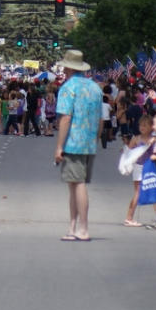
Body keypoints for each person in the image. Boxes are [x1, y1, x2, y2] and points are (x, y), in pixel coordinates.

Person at [53, 50, 102, 242]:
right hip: (89, 142)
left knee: (78, 184)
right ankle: (72, 226)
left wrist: (59, 146)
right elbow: (101, 119)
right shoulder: (95, 88)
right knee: (74, 184)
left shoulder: (68, 88)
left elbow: (65, 118)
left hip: (73, 143)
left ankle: (83, 227)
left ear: (69, 68)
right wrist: (96, 139)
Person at [124, 114, 154, 227]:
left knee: (153, 190)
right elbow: (129, 150)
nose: (142, 128)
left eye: (145, 126)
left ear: (151, 127)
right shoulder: (136, 138)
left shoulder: (153, 139)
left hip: (150, 167)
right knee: (137, 192)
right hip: (139, 166)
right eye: (141, 125)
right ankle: (129, 217)